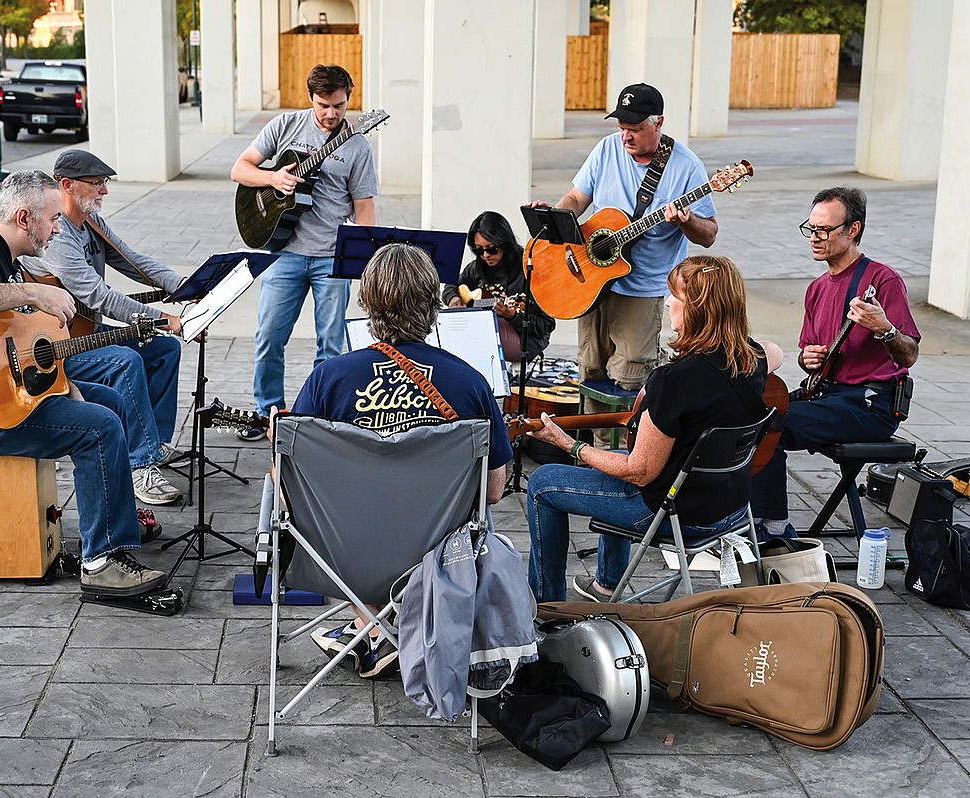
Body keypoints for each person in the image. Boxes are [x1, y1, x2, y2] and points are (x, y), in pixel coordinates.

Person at [0, 170, 167, 598]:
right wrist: (35, 295)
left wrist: (64, 383)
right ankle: (102, 563)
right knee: (98, 429)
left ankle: (113, 519)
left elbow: (14, 351)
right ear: (25, 217)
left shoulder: (10, 261)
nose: (56, 230)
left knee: (108, 401)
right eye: (52, 220)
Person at [286, 243, 513, 678]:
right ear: (433, 305)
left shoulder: (329, 379)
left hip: (343, 557)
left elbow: (291, 484)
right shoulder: (469, 383)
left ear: (368, 303)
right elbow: (495, 489)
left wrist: (282, 439)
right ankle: (394, 625)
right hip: (440, 562)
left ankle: (372, 623)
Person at [525, 255, 783, 603]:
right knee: (616, 456)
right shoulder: (753, 359)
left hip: (677, 513)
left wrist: (569, 445)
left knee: (542, 483)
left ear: (697, 308)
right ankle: (606, 585)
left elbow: (640, 472)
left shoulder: (675, 382)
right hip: (730, 507)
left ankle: (546, 603)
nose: (667, 303)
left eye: (674, 296)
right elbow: (776, 352)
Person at [527, 83, 717, 431]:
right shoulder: (606, 149)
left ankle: (625, 457)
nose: (625, 137)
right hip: (590, 281)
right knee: (590, 370)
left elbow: (709, 235)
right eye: (622, 128)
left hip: (642, 289)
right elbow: (576, 198)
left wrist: (688, 221)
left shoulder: (687, 167)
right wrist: (554, 217)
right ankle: (591, 456)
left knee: (629, 379)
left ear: (658, 123)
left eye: (635, 129)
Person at [752, 187, 920, 539]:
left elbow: (909, 355)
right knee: (746, 409)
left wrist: (884, 329)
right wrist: (806, 358)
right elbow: (809, 358)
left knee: (770, 423)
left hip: (871, 403)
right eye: (811, 228)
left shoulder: (881, 280)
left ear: (853, 229)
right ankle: (741, 520)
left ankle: (774, 528)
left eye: (824, 230)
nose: (815, 237)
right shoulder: (816, 288)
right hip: (827, 394)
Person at [22, 149, 185, 506]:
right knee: (124, 362)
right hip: (60, 345)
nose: (104, 192)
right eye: (96, 184)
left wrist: (186, 285)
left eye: (104, 183)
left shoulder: (90, 221)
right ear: (66, 185)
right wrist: (162, 319)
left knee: (164, 349)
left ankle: (153, 443)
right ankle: (139, 465)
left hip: (86, 332)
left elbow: (132, 260)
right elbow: (99, 296)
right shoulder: (58, 235)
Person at [231, 64, 378, 441]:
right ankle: (268, 413)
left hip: (332, 255)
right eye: (324, 105)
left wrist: (361, 260)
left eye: (340, 106)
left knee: (330, 346)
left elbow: (364, 207)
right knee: (268, 337)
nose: (332, 114)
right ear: (310, 97)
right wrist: (273, 177)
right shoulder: (285, 126)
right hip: (284, 252)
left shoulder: (357, 144)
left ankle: (318, 418)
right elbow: (239, 169)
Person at [443, 210, 555, 362]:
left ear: (504, 243)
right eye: (479, 250)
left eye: (491, 249)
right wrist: (453, 298)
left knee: (481, 337)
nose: (486, 255)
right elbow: (452, 284)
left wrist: (513, 316)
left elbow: (546, 325)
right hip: (485, 330)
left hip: (524, 338)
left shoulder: (528, 270)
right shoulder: (477, 268)